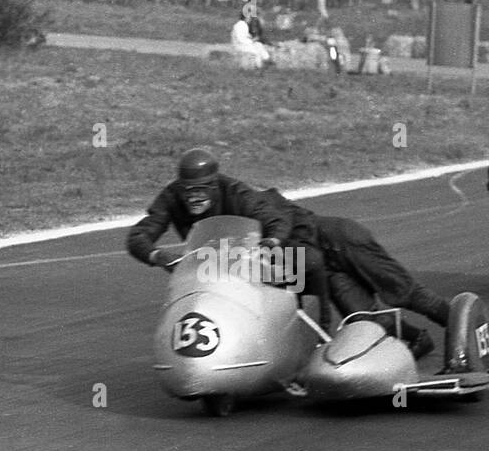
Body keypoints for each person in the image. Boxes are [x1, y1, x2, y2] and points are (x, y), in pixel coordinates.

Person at [257, 190, 450, 359]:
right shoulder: (234, 223)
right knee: (363, 318)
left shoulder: (253, 200)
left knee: (405, 293)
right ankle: (419, 338)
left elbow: (284, 225)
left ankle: (462, 327)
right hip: (318, 259)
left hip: (340, 240)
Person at [127, 148, 292, 268]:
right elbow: (138, 236)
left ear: (213, 186)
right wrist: (156, 255)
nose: (193, 198)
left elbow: (277, 222)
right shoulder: (171, 195)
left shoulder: (236, 193)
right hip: (204, 266)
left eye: (199, 190)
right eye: (187, 190)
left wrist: (271, 241)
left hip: (249, 261)